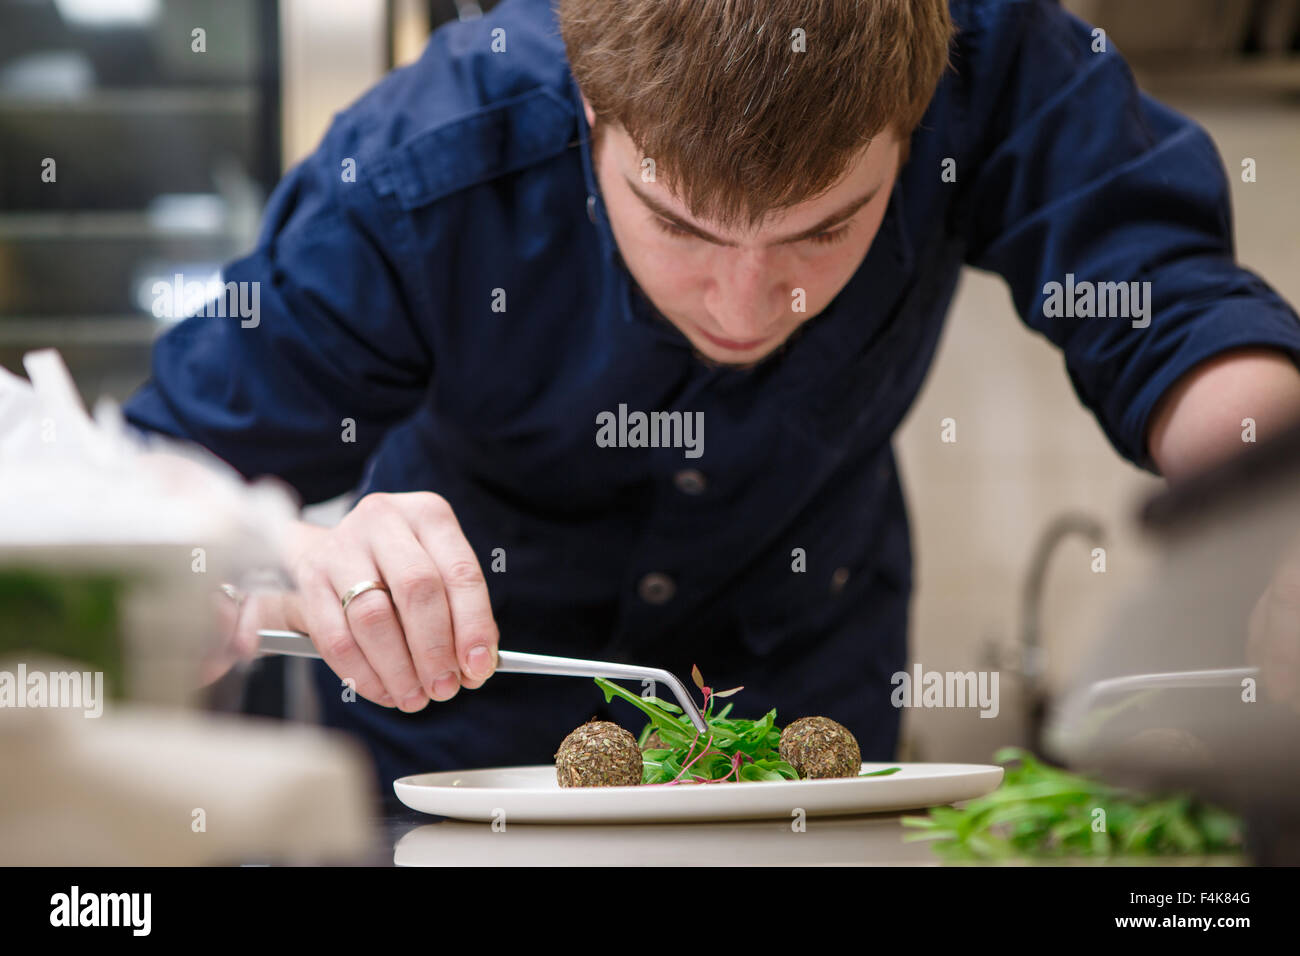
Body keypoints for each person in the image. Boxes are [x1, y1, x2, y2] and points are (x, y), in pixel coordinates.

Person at [124, 0, 1300, 801]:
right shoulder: (419, 165)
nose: (745, 307)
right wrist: (288, 547)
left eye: (824, 230)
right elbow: (149, 479)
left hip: (807, 731)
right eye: (679, 227)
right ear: (591, 112)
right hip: (458, 761)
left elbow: (1170, 305)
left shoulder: (985, 53)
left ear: (914, 128)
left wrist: (1275, 521)